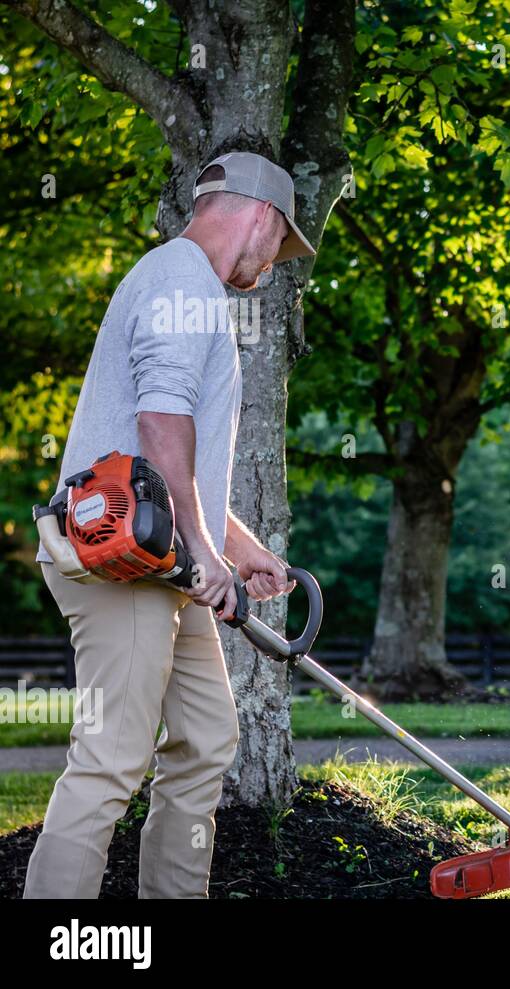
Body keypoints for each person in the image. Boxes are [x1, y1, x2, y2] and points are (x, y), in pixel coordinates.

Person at [25, 151, 315, 899]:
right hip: (116, 562)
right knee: (112, 757)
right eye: (279, 244)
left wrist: (239, 552)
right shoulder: (183, 279)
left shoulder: (187, 288)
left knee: (205, 738)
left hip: (163, 564)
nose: (273, 264)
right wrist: (206, 552)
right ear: (260, 213)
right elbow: (161, 425)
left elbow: (170, 470)